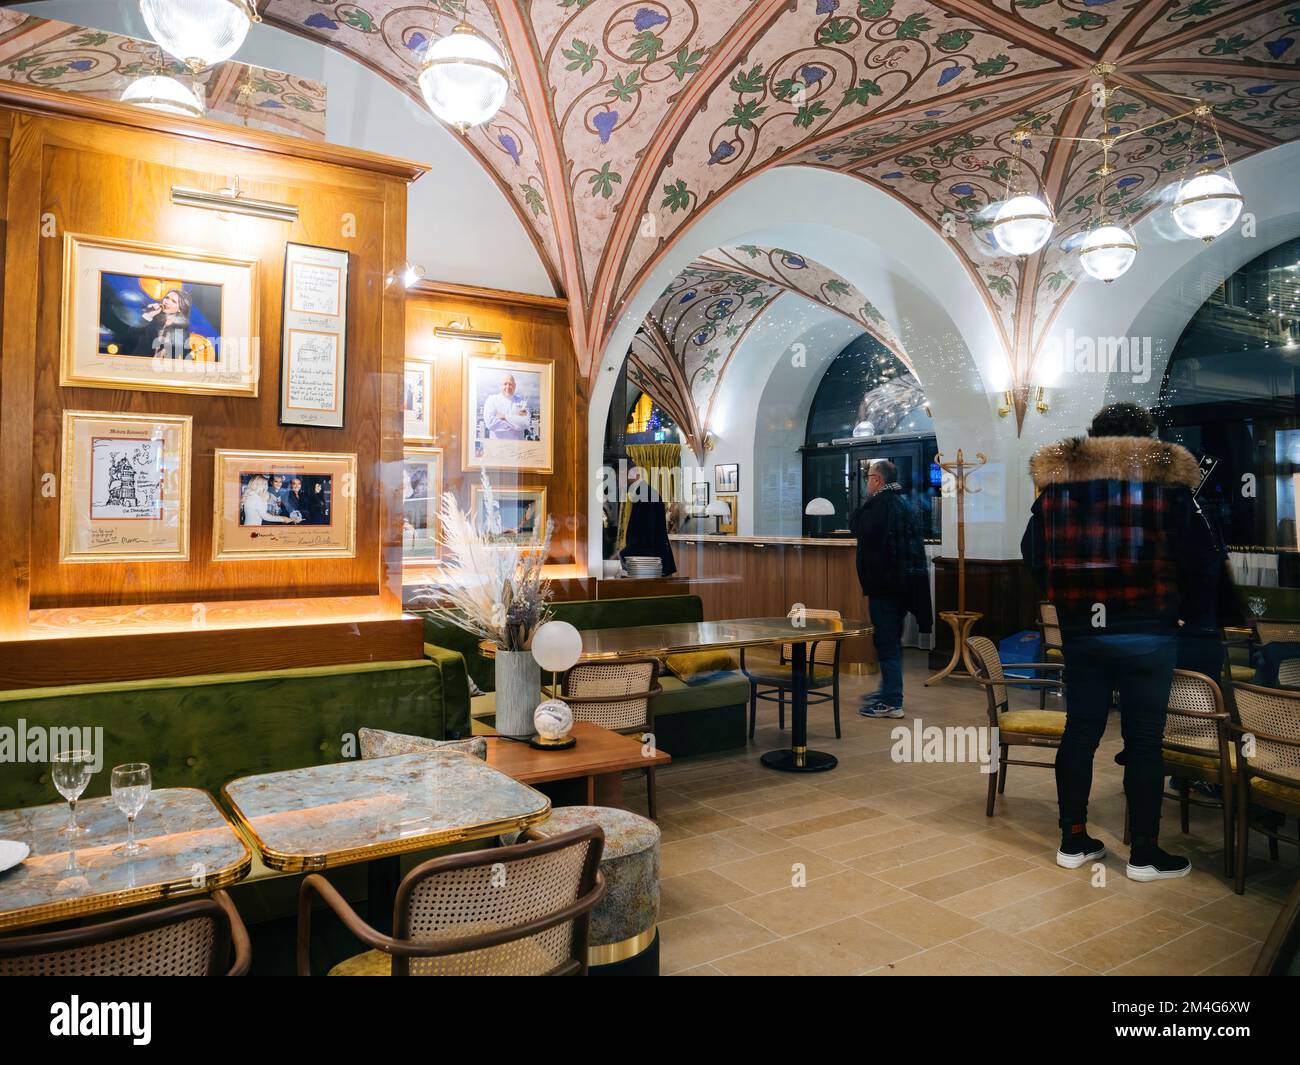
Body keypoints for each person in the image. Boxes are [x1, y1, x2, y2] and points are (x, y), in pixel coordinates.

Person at [1022, 403, 1223, 882]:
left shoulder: (1058, 489)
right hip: (1148, 630)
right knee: (1146, 741)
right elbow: (1201, 559)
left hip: (1083, 632)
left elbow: (1032, 552)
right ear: (1147, 440)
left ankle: (1073, 840)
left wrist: (1063, 600)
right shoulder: (1168, 488)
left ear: (1092, 436)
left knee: (1081, 731)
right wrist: (1185, 613)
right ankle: (1145, 855)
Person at [849, 459, 929, 719]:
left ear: (877, 480)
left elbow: (859, 529)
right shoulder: (905, 503)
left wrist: (861, 507)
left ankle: (892, 701)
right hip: (906, 585)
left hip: (886, 586)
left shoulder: (880, 504)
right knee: (892, 641)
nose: (866, 482)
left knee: (886, 643)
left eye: (868, 478)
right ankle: (887, 691)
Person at [136, 287, 193, 359]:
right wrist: (149, 315)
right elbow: (131, 335)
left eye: (173, 301)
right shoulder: (151, 318)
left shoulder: (181, 331)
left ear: (180, 309)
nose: (167, 302)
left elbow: (183, 354)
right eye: (167, 298)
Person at [481, 374, 531, 440]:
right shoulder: (491, 400)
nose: (508, 387)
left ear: (515, 386)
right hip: (497, 446)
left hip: (517, 446)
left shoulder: (522, 402)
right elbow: (490, 424)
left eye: (510, 384)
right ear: (500, 386)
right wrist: (516, 421)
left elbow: (525, 423)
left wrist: (505, 417)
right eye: (505, 384)